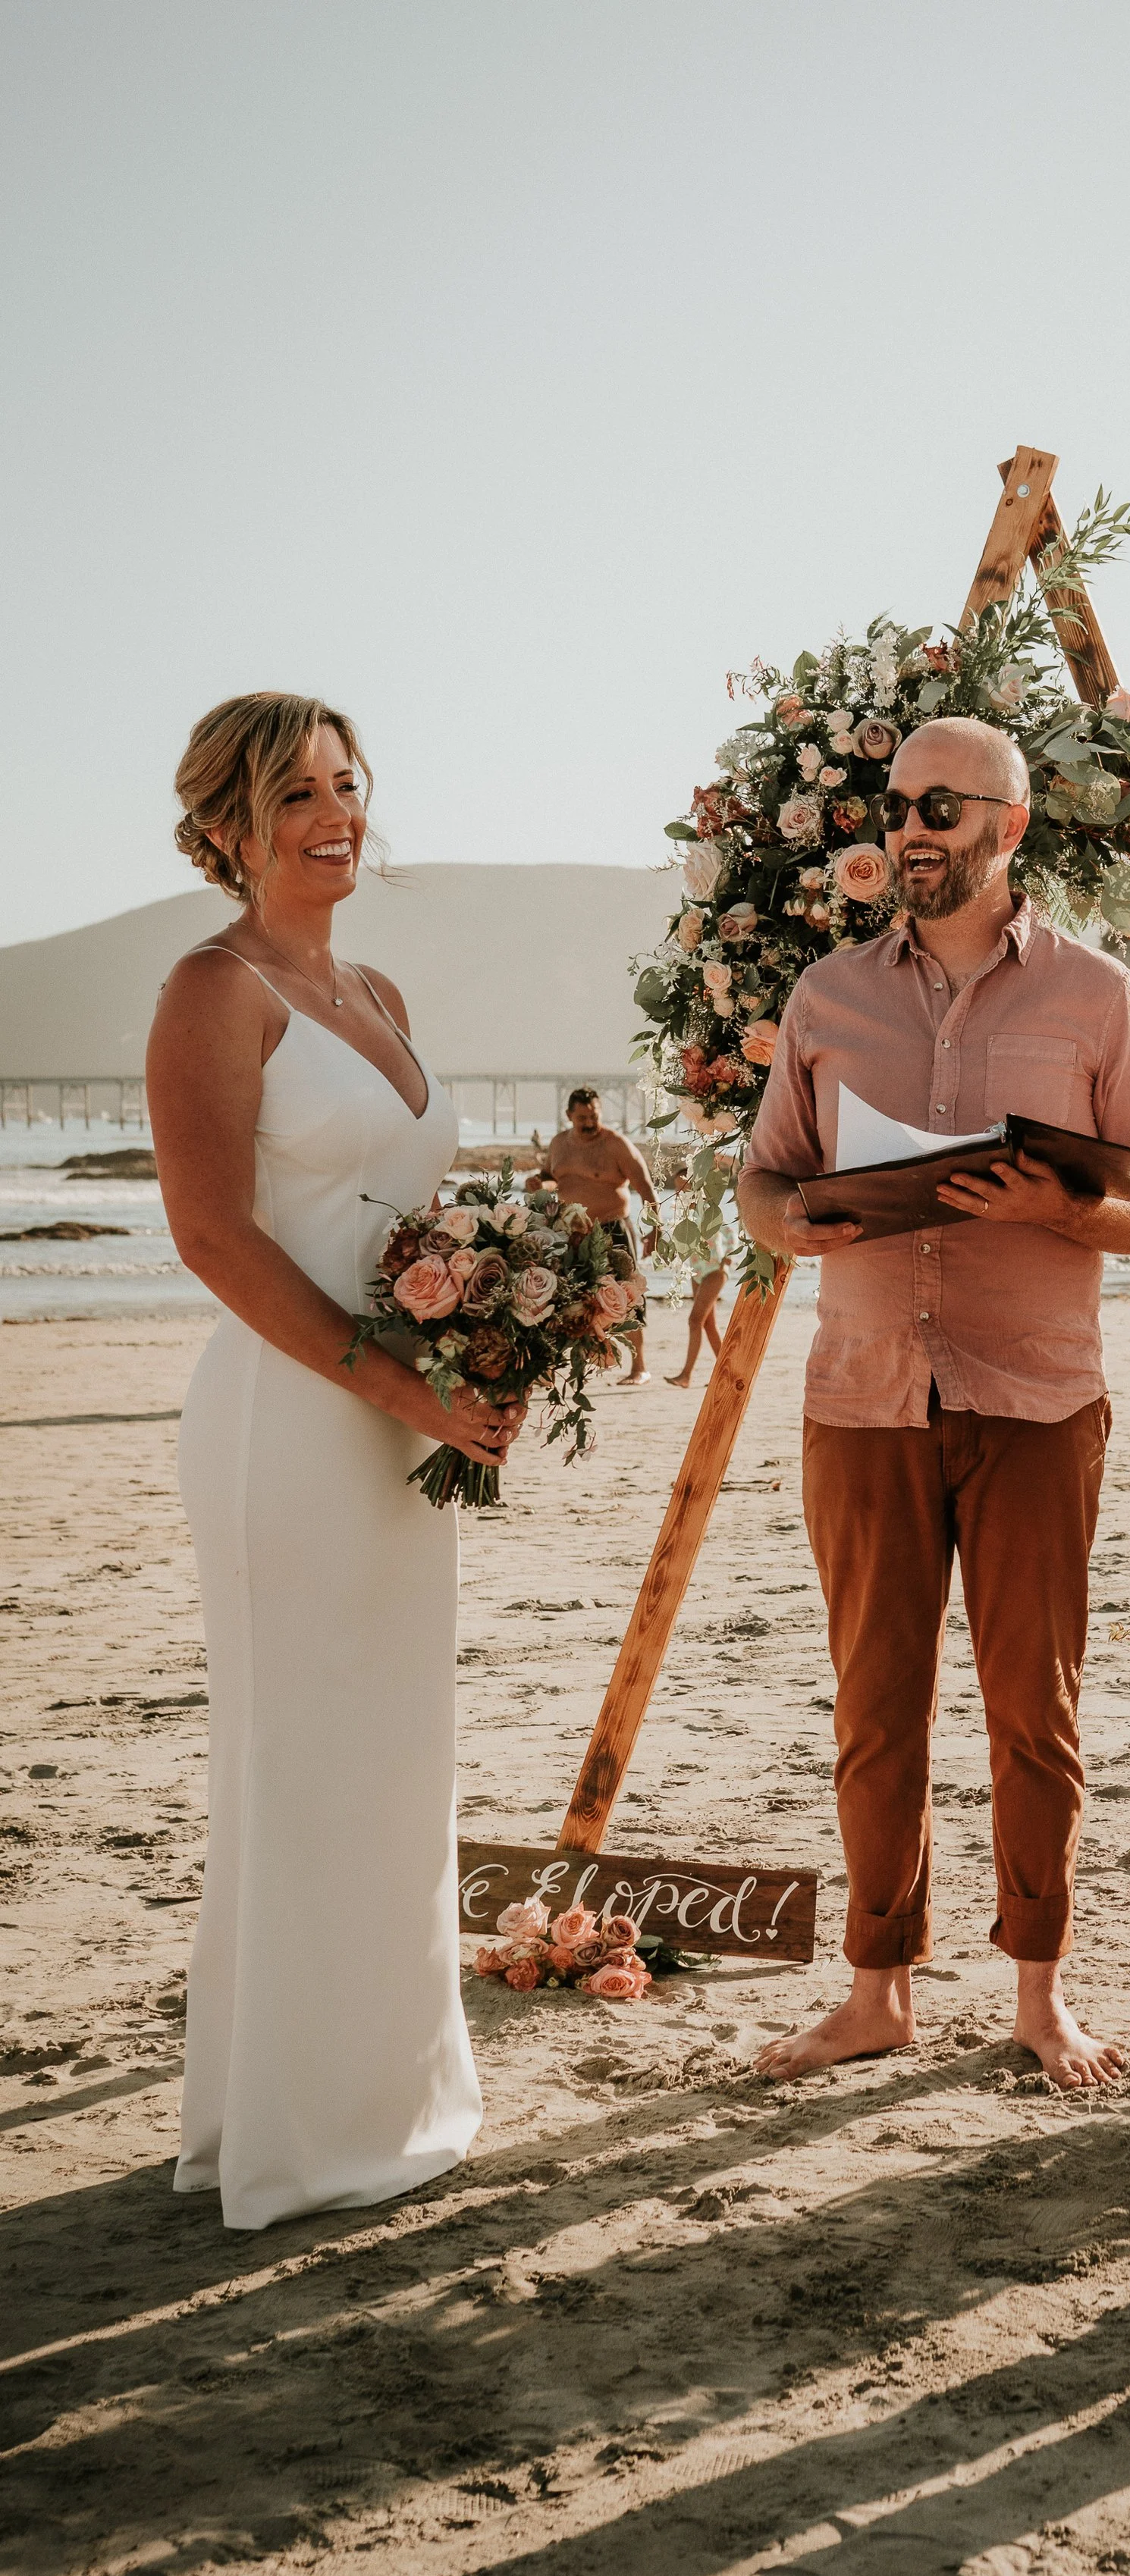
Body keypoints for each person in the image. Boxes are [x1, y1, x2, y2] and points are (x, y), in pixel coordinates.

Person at [739, 715, 1130, 2089]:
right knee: (875, 1707)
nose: (911, 831)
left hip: (1038, 1403)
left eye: (941, 807)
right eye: (898, 805)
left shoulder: (1100, 998)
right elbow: (763, 1178)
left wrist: (1067, 1205)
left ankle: (1041, 1997)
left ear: (1010, 825)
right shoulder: (826, 998)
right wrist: (793, 1227)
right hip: (863, 1400)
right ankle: (878, 1991)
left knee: (1030, 1711)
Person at [149, 694, 519, 2231]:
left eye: (349, 782)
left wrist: (490, 1337)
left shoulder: (375, 987)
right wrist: (390, 1380)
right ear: (227, 825)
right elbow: (215, 1232)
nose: (335, 810)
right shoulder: (211, 988)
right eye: (295, 791)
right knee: (301, 1762)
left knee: (392, 1758)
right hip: (286, 1425)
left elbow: (400, 1223)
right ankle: (294, 2133)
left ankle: (376, 2097)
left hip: (392, 1425)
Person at [532, 1089, 659, 1382]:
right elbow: (551, 1181)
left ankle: (639, 1367)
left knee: (627, 1293)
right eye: (582, 1118)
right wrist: (538, 1185)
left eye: (594, 1116)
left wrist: (655, 1229)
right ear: (569, 1116)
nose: (589, 1122)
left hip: (612, 1228)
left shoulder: (616, 1145)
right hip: (570, 1231)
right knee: (562, 1293)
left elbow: (646, 1187)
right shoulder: (559, 1143)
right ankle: (553, 1366)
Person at [667, 1256, 727, 1387]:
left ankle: (686, 1375)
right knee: (708, 1324)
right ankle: (727, 1374)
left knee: (695, 1321)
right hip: (697, 1270)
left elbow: (732, 1235)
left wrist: (728, 1258)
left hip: (716, 1268)